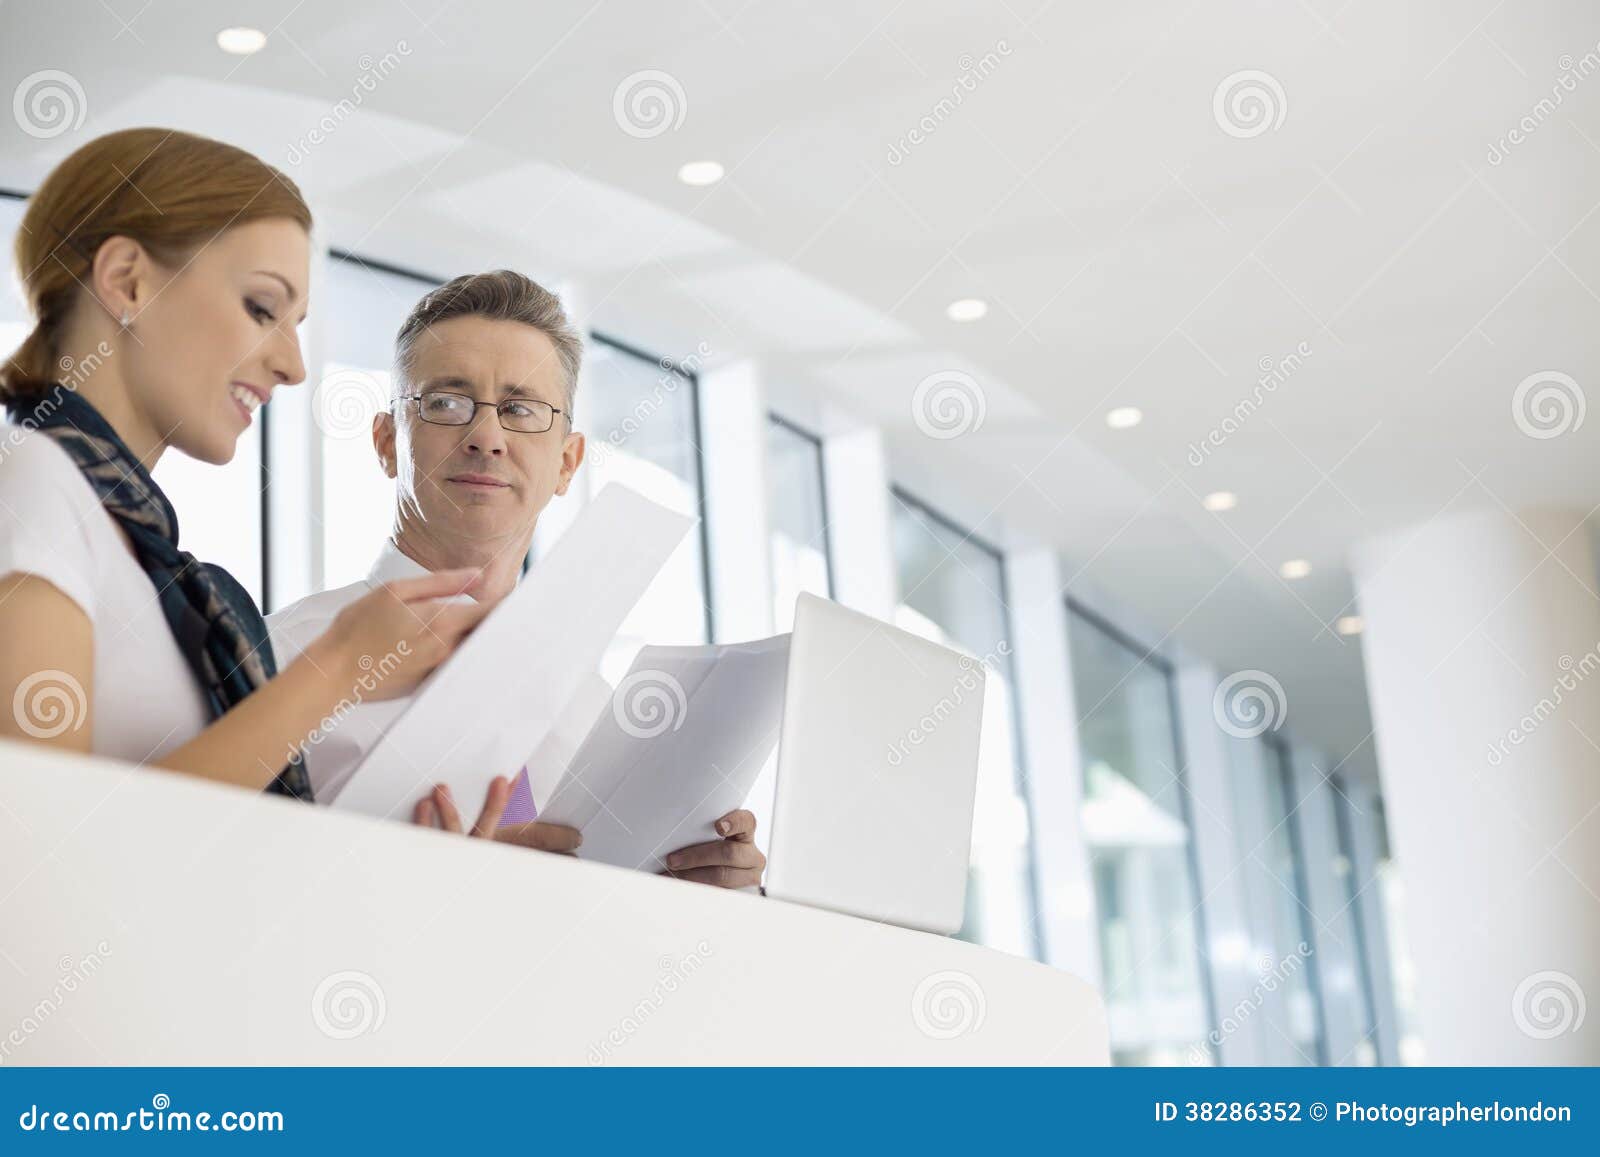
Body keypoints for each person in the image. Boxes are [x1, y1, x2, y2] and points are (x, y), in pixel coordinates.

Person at [0, 128, 487, 795]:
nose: (291, 365)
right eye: (262, 308)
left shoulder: (132, 548)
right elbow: (39, 834)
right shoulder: (33, 480)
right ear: (127, 281)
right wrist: (338, 668)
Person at [266, 271, 766, 889]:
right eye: (446, 403)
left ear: (567, 462)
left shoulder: (605, 718)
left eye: (521, 410)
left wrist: (711, 888)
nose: (486, 438)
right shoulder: (277, 660)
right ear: (386, 441)